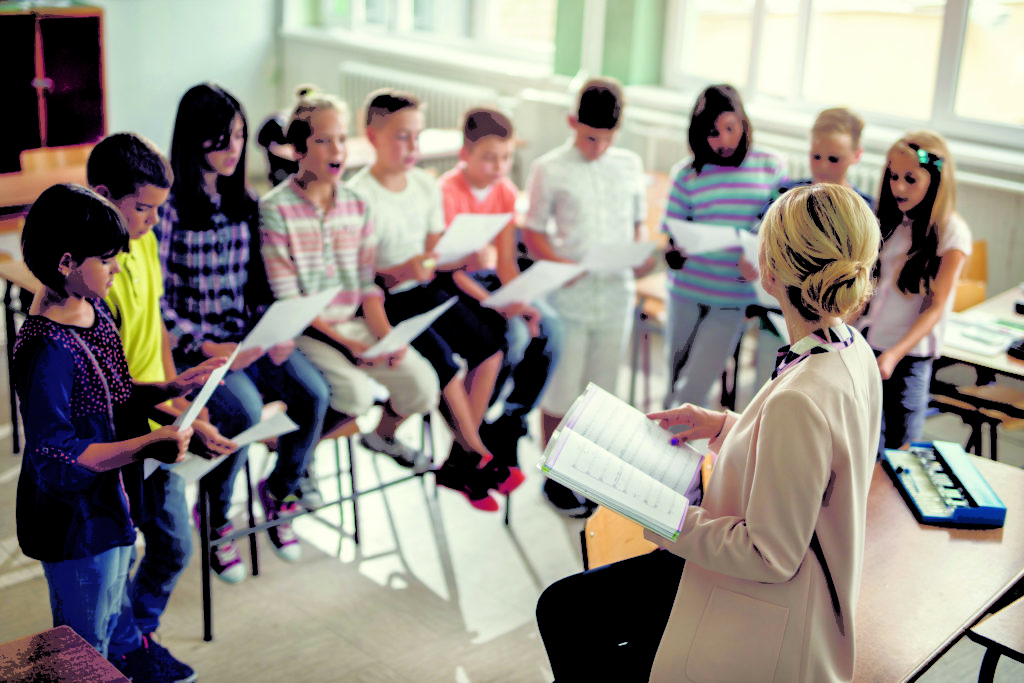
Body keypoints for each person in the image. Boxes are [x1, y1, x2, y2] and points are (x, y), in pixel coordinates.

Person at [537, 184, 883, 681]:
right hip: (772, 573)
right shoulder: (850, 348)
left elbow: (771, 556)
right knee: (566, 608)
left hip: (765, 608)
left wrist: (672, 518)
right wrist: (725, 427)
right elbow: (812, 459)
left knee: (569, 616)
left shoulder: (800, 398)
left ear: (771, 268)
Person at [15, 183, 221, 681]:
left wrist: (171, 387)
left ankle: (127, 656)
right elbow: (55, 455)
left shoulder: (96, 308)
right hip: (74, 521)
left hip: (114, 499)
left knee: (115, 601)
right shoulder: (46, 349)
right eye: (107, 260)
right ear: (66, 262)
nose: (118, 269)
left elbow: (115, 391)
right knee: (82, 645)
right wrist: (146, 445)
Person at [158, 83, 330, 580]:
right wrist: (205, 343)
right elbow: (160, 306)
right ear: (194, 142)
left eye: (238, 136)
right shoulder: (169, 211)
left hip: (246, 338)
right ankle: (216, 516)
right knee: (245, 411)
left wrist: (274, 329)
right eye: (220, 139)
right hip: (201, 348)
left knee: (313, 393)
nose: (234, 149)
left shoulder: (246, 201)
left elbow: (258, 284)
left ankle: (280, 492)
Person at [88, 133, 237, 656]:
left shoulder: (145, 241)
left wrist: (180, 402)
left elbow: (155, 334)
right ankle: (119, 646)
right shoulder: (95, 274)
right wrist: (176, 419)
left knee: (171, 546)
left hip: (158, 419)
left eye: (158, 209)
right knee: (135, 548)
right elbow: (110, 385)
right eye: (144, 209)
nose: (153, 221)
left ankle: (134, 637)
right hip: (125, 431)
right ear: (105, 196)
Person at [260, 86, 440, 475]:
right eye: (323, 141)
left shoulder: (358, 205)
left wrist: (386, 338)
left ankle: (298, 448)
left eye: (341, 139)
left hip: (354, 324)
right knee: (356, 395)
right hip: (309, 332)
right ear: (298, 149)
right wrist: (351, 346)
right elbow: (291, 304)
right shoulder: (274, 210)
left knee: (423, 387)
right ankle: (292, 469)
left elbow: (366, 285)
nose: (337, 150)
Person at [348, 89, 512, 512]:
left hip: (427, 287)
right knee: (445, 365)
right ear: (373, 136)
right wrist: (407, 269)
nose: (413, 148)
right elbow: (364, 279)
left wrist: (433, 261)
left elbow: (434, 250)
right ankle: (476, 452)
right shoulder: (359, 195)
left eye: (417, 137)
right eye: (402, 137)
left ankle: (462, 459)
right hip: (387, 299)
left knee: (491, 340)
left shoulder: (423, 183)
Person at [522, 77, 649, 517]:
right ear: (571, 122)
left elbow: (637, 224)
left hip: (615, 293)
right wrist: (561, 265)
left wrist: (639, 251)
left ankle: (590, 472)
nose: (596, 147)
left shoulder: (631, 164)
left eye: (606, 139)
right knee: (562, 391)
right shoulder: (549, 167)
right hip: (569, 296)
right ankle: (555, 476)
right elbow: (533, 231)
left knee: (603, 393)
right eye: (589, 137)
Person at [436, 106, 562, 490]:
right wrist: (502, 306)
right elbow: (450, 269)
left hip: (487, 277)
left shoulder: (506, 191)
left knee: (550, 329)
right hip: (453, 283)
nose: (499, 166)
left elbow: (506, 259)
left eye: (506, 157)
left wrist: (517, 298)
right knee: (513, 337)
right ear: (465, 153)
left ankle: (509, 422)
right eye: (489, 158)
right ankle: (472, 440)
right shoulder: (446, 192)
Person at [661, 84, 787, 412]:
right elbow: (670, 242)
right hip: (686, 292)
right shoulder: (686, 175)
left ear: (744, 124)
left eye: (731, 129)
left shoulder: (770, 167)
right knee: (673, 381)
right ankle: (659, 450)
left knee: (693, 388)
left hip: (731, 300)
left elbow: (777, 226)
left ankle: (672, 444)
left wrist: (760, 257)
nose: (724, 141)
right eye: (713, 133)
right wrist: (678, 248)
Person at [856, 131, 970, 455]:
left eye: (910, 178)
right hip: (870, 346)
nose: (898, 187)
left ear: (934, 181)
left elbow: (935, 309)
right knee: (864, 445)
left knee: (900, 453)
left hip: (909, 360)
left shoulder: (951, 233)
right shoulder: (889, 222)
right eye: (893, 176)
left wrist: (894, 354)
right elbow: (869, 290)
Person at [770, 107, 874, 207]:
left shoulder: (865, 208)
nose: (823, 166)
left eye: (834, 159)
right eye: (816, 156)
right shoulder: (785, 195)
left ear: (856, 155)